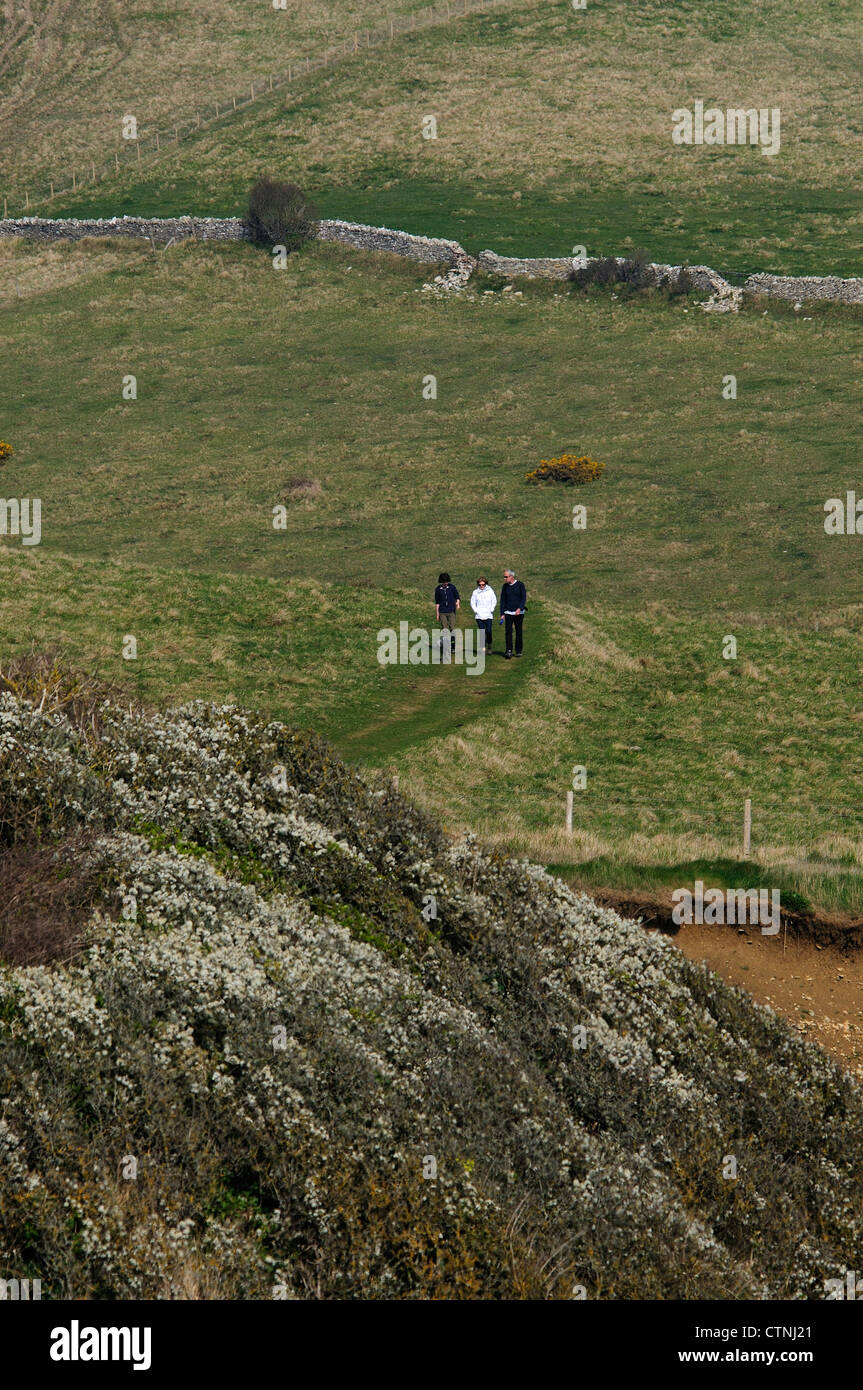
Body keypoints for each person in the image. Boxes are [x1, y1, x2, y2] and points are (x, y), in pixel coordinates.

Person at [499, 568, 526, 659]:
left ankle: (518, 651)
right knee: (508, 632)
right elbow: (502, 600)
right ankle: (509, 650)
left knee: (518, 631)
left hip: (519, 613)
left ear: (511, 576)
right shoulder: (505, 587)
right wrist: (502, 613)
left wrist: (519, 608)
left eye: (506, 577)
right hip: (508, 612)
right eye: (504, 577)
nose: (504, 578)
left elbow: (523, 598)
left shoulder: (520, 585)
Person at [434, 572, 460, 652]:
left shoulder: (452, 587)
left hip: (451, 611)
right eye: (443, 582)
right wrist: (437, 614)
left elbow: (457, 596)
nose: (445, 583)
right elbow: (437, 603)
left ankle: (453, 646)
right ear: (441, 582)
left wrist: (457, 603)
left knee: (452, 628)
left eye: (446, 582)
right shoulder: (438, 589)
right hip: (442, 612)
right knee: (445, 629)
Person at [470, 576, 496, 652]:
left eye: (483, 584)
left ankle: (489, 645)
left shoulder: (490, 591)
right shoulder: (475, 592)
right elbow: (472, 602)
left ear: (485, 584)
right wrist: (476, 610)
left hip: (488, 615)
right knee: (481, 631)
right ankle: (483, 647)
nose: (481, 586)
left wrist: (491, 609)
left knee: (489, 631)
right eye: (480, 584)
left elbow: (494, 600)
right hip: (479, 615)